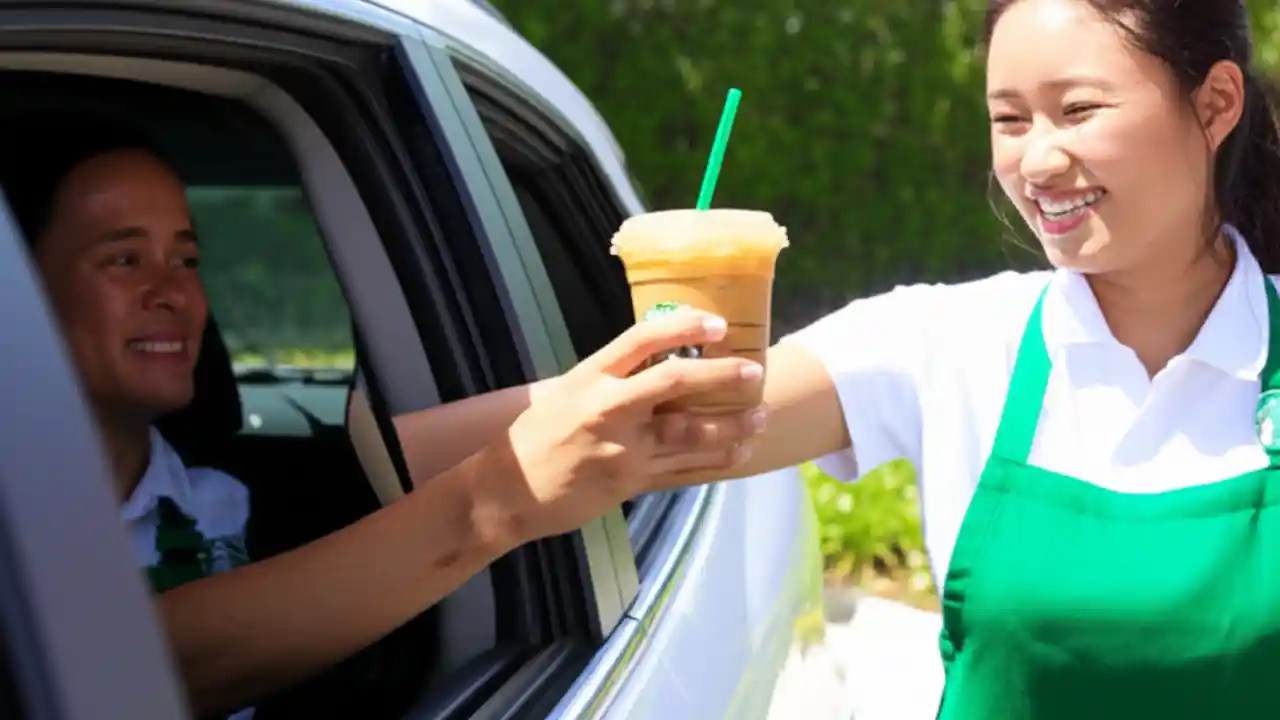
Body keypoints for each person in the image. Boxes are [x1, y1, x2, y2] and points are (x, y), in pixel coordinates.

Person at [1, 116, 766, 719]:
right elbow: (116, 674)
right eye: (124, 259)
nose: (174, 290)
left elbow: (633, 414)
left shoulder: (253, 497)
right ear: (20, 296)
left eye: (189, 259)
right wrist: (494, 502)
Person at [668, 0, 1280, 717]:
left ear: (1215, 104)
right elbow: (686, 422)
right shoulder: (947, 342)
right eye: (1010, 120)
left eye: (1078, 110)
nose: (1038, 161)